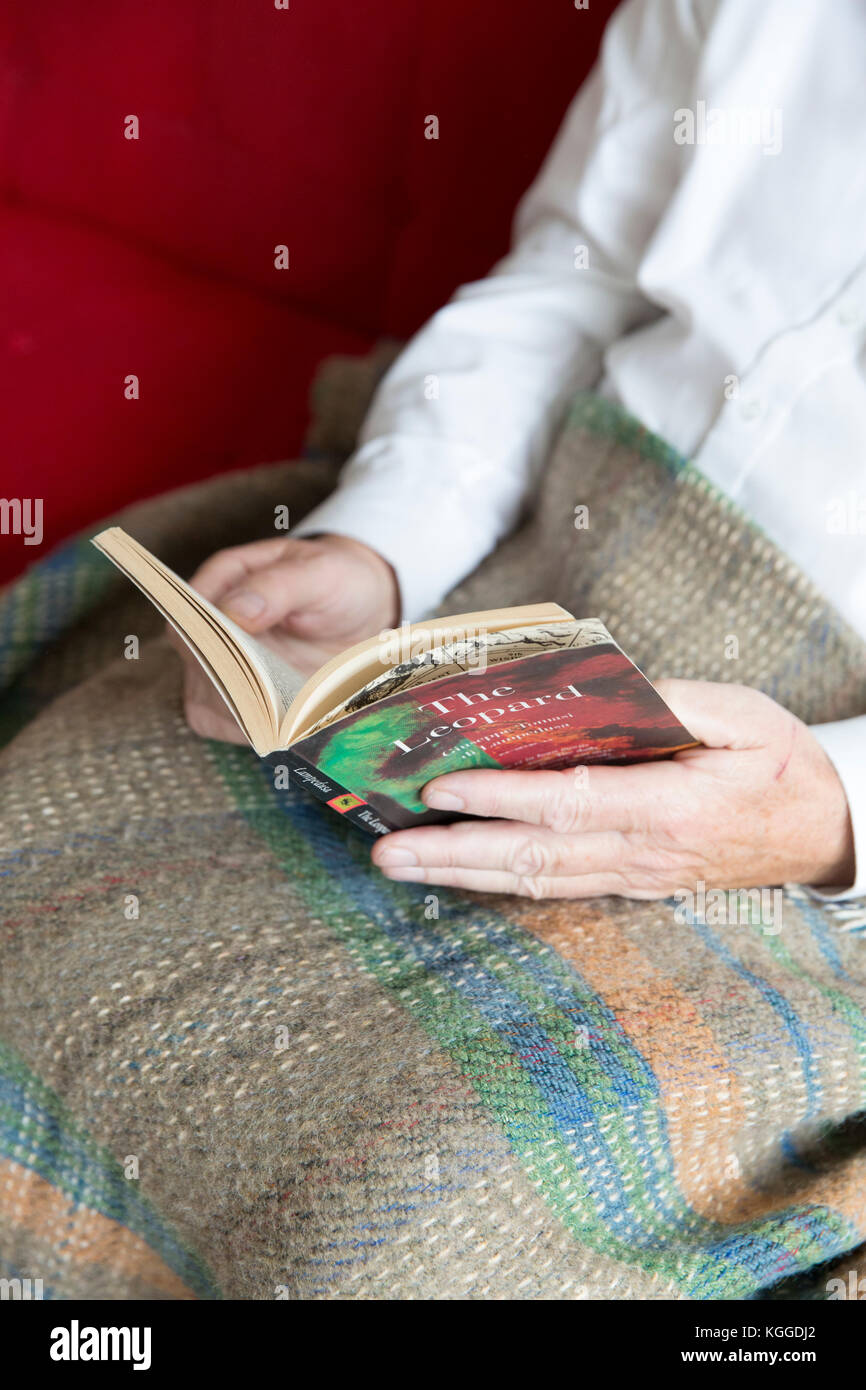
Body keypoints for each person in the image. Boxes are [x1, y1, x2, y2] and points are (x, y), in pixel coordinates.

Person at [173, 0, 865, 902]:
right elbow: (574, 284)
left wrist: (827, 813)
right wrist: (386, 547)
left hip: (822, 820)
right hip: (521, 569)